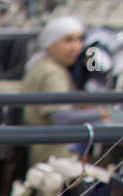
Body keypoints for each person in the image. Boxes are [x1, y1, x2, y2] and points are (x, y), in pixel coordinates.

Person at [20, 15, 104, 167]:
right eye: (68, 40)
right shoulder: (52, 73)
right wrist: (102, 114)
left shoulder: (45, 65)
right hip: (53, 156)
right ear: (51, 44)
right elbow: (60, 117)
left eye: (79, 40)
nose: (76, 47)